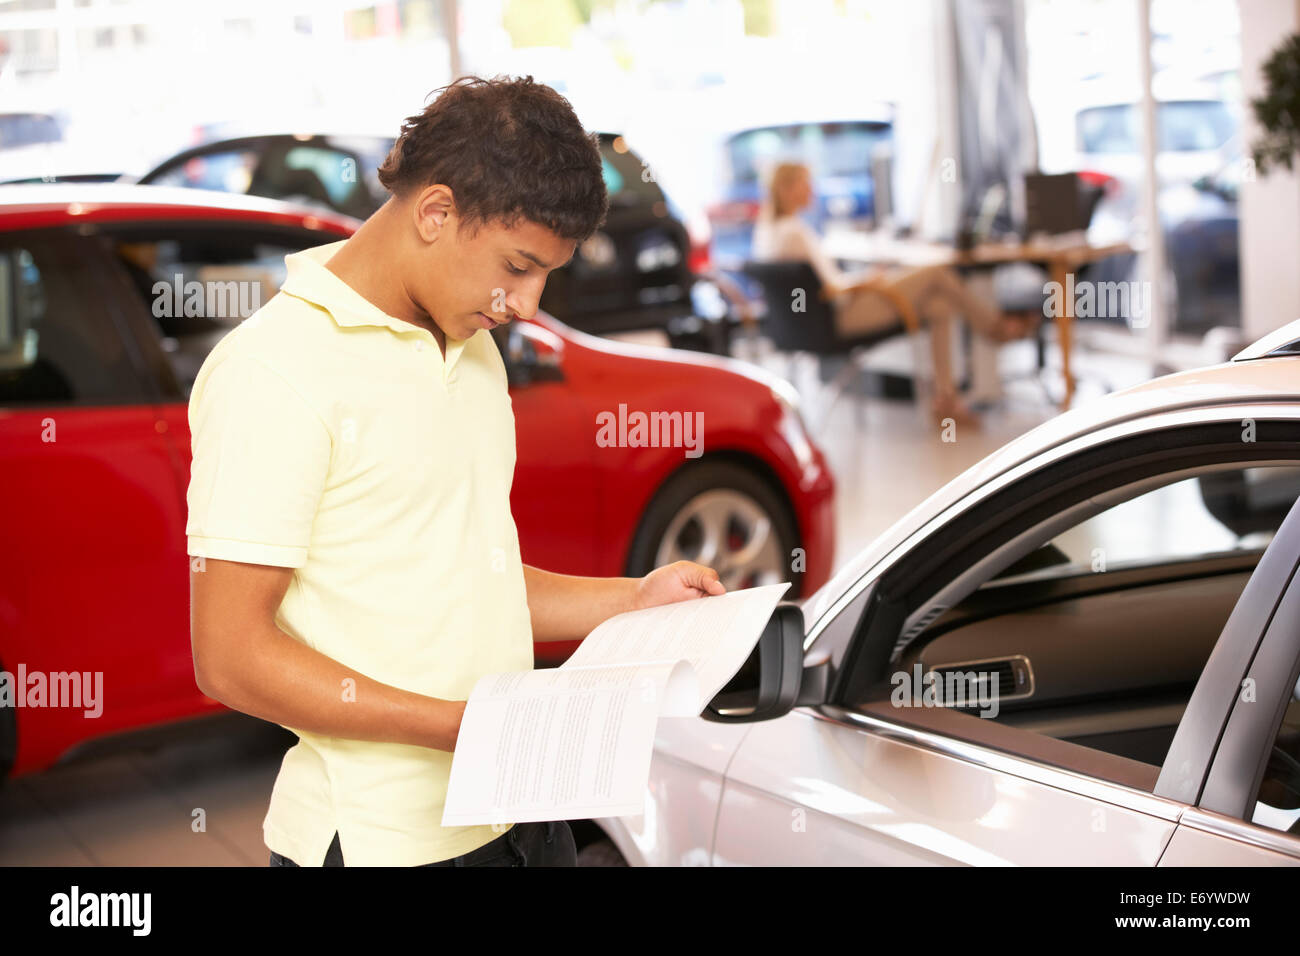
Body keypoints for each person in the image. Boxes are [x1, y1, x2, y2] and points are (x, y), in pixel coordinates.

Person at [185, 75, 728, 868]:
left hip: (519, 809)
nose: (529, 304)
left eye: (548, 273)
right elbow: (229, 655)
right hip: (384, 843)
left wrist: (633, 601)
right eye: (518, 265)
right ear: (435, 212)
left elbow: (467, 573)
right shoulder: (274, 369)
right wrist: (454, 725)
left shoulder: (471, 351)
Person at [751, 161, 1036, 424]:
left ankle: (946, 400)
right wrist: (871, 280)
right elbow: (835, 290)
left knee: (939, 306)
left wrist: (868, 277)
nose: (812, 189)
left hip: (807, 325)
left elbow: (820, 285)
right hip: (841, 317)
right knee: (937, 272)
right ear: (787, 189)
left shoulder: (767, 232)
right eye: (805, 182)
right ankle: (994, 327)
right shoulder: (794, 233)